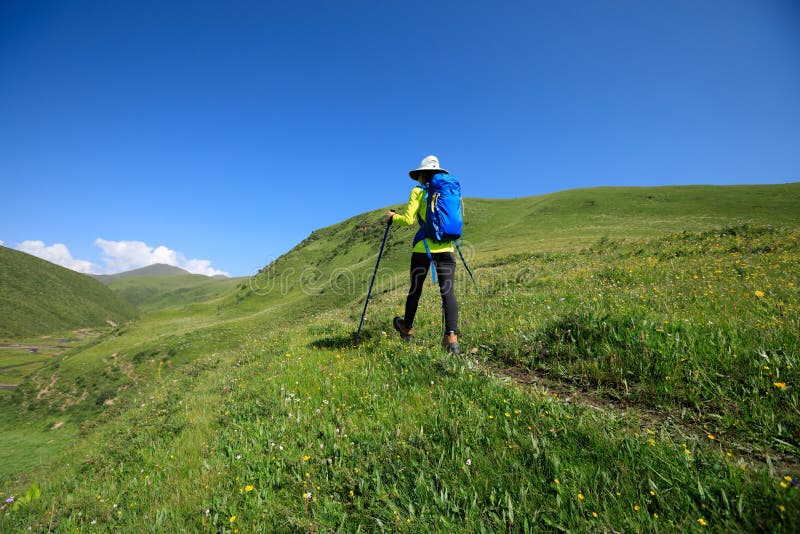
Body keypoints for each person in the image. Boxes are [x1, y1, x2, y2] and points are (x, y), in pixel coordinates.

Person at [386, 155, 459, 354]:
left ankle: (407, 328)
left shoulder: (418, 191)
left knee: (415, 290)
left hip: (422, 249)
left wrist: (393, 217)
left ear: (421, 175)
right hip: (446, 248)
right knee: (448, 292)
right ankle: (451, 338)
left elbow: (409, 220)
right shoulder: (448, 191)